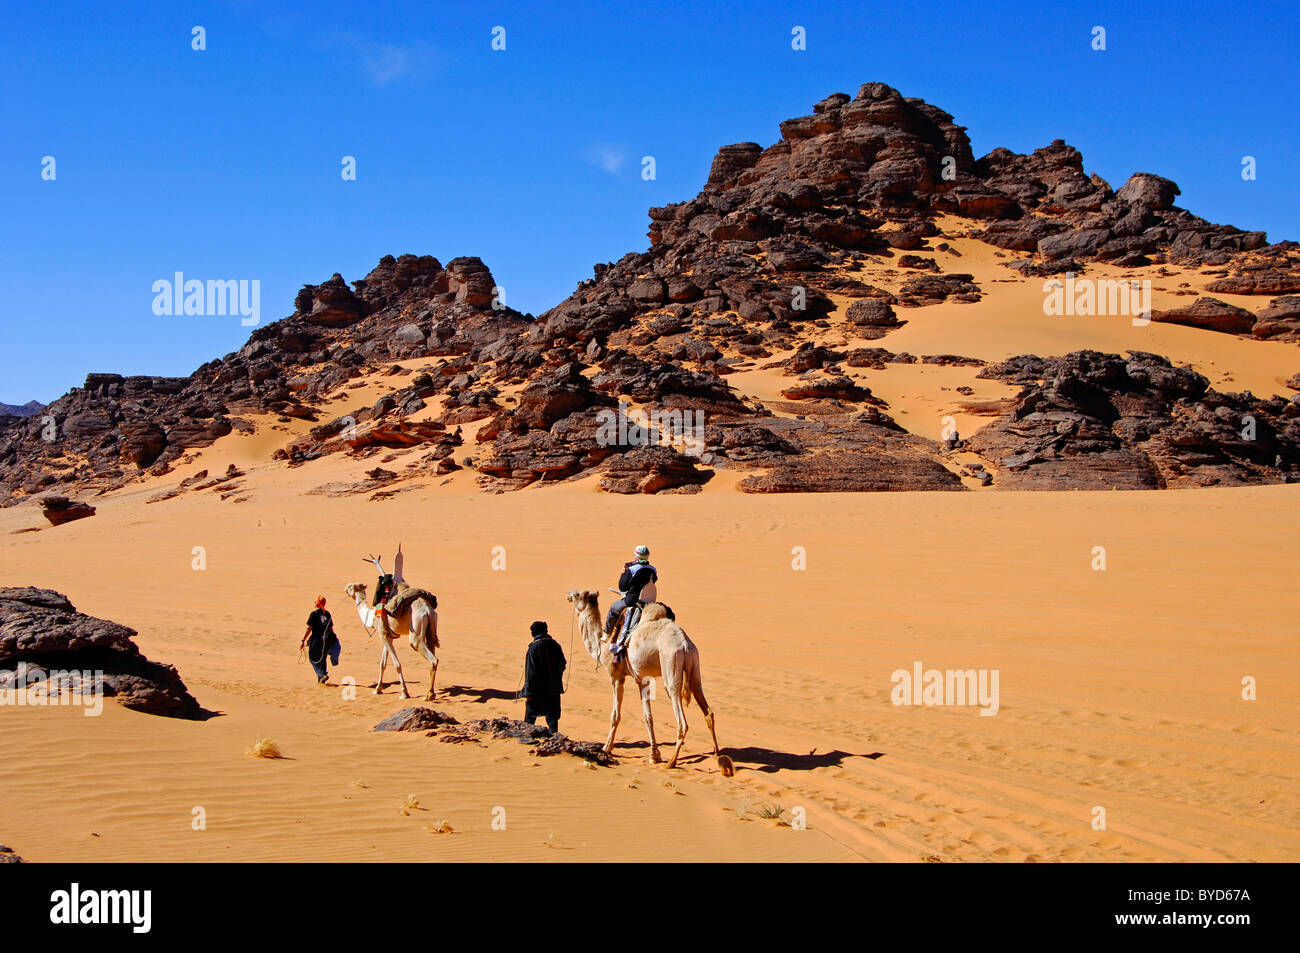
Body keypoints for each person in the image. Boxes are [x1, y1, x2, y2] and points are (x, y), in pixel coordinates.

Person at [520, 621, 566, 734]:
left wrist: (528, 692)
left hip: (537, 690)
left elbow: (530, 672)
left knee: (530, 718)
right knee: (553, 718)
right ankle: (555, 737)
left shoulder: (534, 648)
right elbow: (563, 664)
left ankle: (526, 737)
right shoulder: (555, 645)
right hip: (554, 689)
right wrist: (555, 677)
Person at [604, 545, 658, 637]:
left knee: (614, 608)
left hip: (632, 601)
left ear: (636, 556)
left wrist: (624, 573)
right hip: (649, 602)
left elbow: (622, 587)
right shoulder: (653, 569)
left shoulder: (631, 569)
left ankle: (607, 634)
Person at [301, 595, 340, 685]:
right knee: (322, 659)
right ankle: (321, 681)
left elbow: (309, 628)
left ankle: (322, 674)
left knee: (312, 658)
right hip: (326, 641)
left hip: (316, 640)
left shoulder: (314, 614)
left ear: (317, 603)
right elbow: (331, 629)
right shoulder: (327, 614)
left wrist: (303, 640)